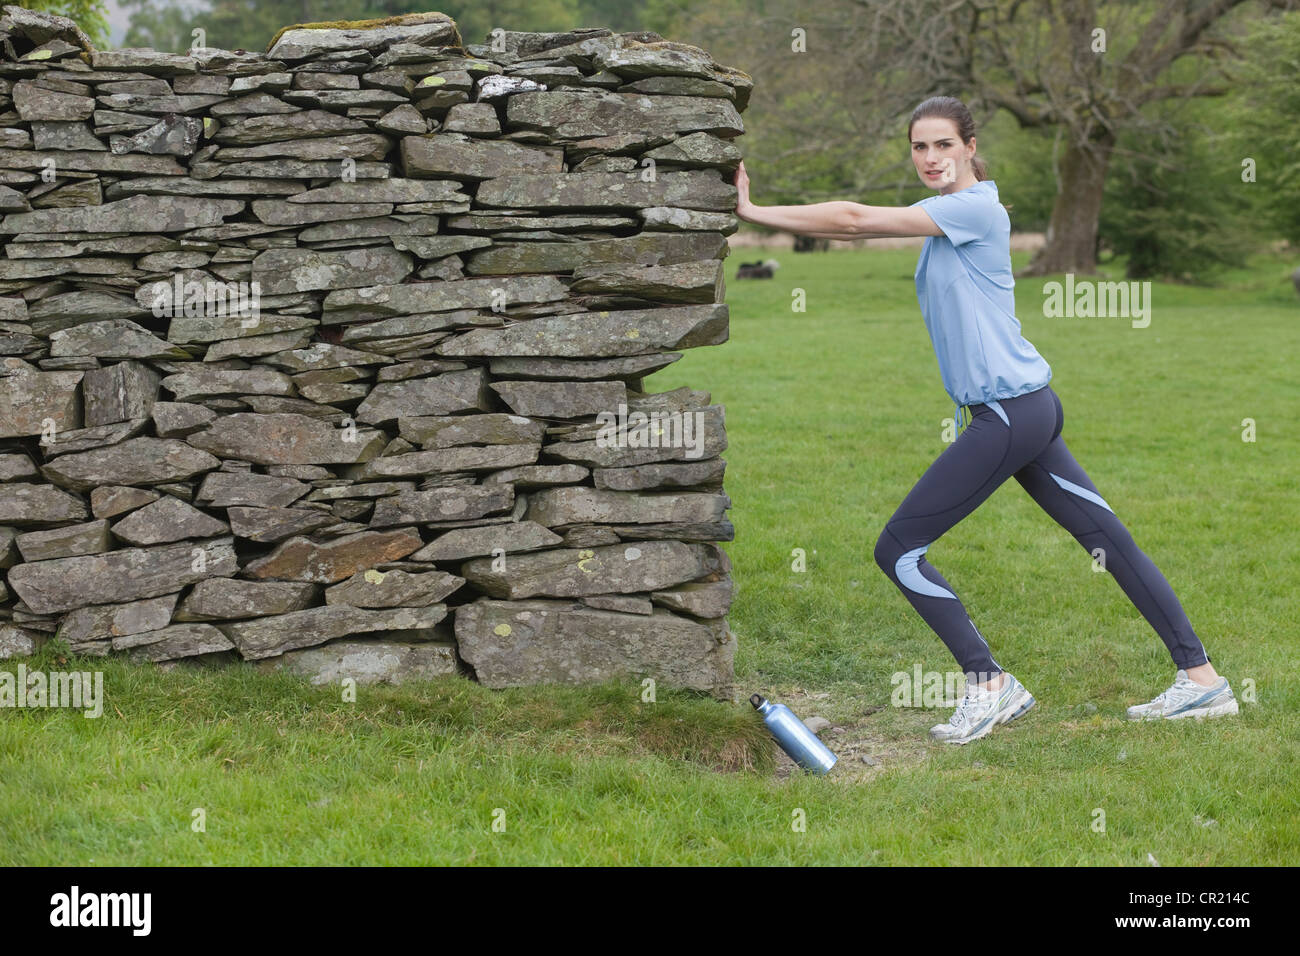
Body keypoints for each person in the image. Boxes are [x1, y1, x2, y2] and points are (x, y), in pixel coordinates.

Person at [732, 95, 1239, 744]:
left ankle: (990, 684)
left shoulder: (972, 207)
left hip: (1008, 414)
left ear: (970, 146)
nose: (930, 158)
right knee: (1110, 541)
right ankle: (1202, 682)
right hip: (1027, 407)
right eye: (919, 147)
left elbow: (856, 219)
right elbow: (867, 223)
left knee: (899, 550)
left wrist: (753, 212)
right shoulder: (949, 215)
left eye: (943, 144)